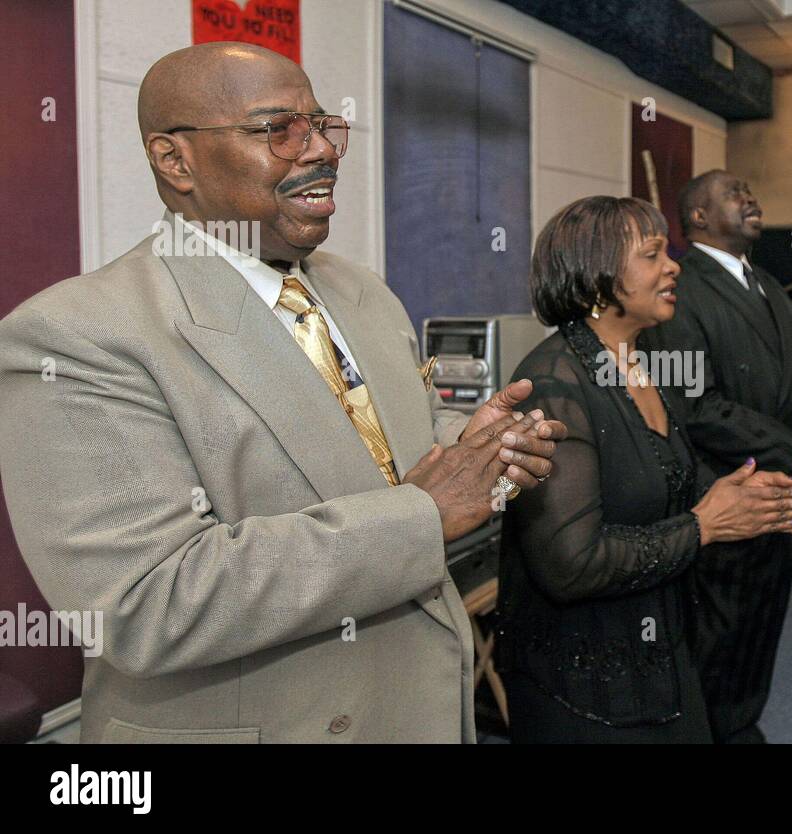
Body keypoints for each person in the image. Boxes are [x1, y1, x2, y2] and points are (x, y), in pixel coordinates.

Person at [0, 43, 564, 743]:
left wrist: (477, 448)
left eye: (324, 124)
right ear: (175, 160)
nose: (323, 149)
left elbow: (382, 455)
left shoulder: (364, 294)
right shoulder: (76, 335)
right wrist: (426, 513)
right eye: (280, 130)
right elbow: (146, 604)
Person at [497, 196, 792, 743]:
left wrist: (754, 501)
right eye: (653, 254)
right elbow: (571, 566)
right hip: (585, 678)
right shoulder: (553, 386)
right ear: (598, 277)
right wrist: (707, 525)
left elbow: (656, 477)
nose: (673, 265)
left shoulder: (639, 363)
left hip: (663, 641)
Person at [639, 170, 792, 743]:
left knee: (765, 619)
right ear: (697, 217)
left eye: (750, 189)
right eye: (733, 193)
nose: (750, 197)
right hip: (722, 487)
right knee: (717, 628)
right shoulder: (680, 287)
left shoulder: (770, 284)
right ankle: (711, 731)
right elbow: (692, 402)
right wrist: (790, 447)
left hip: (784, 490)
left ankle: (743, 726)